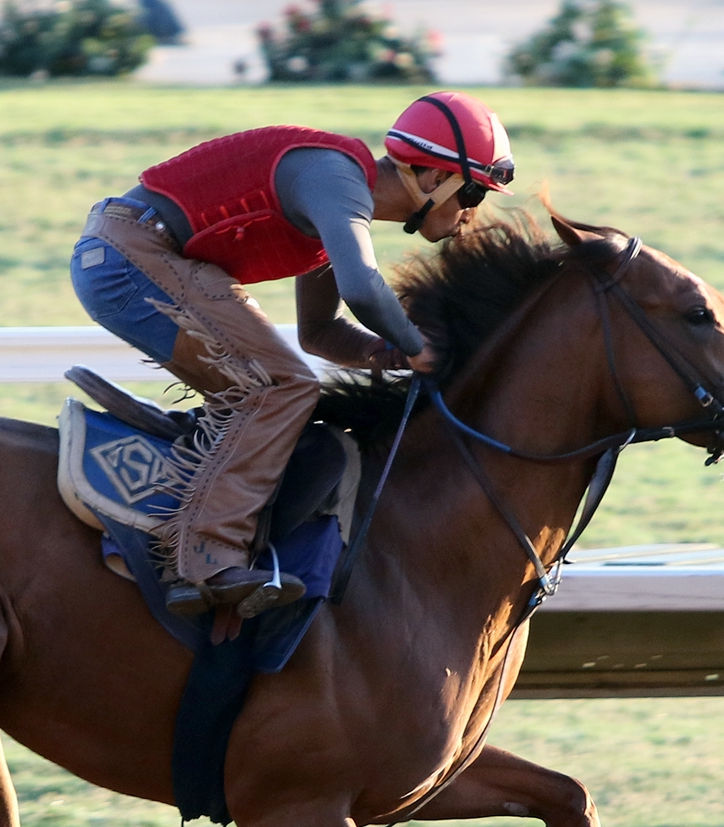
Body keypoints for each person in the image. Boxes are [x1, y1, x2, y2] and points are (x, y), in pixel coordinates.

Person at [70, 92, 516, 618]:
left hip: (128, 255)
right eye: (472, 194)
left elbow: (321, 335)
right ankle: (205, 559)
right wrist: (419, 347)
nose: (471, 214)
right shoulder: (337, 182)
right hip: (130, 254)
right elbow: (364, 289)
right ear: (430, 177)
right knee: (283, 388)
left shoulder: (334, 209)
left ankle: (175, 525)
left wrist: (396, 354)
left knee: (272, 390)